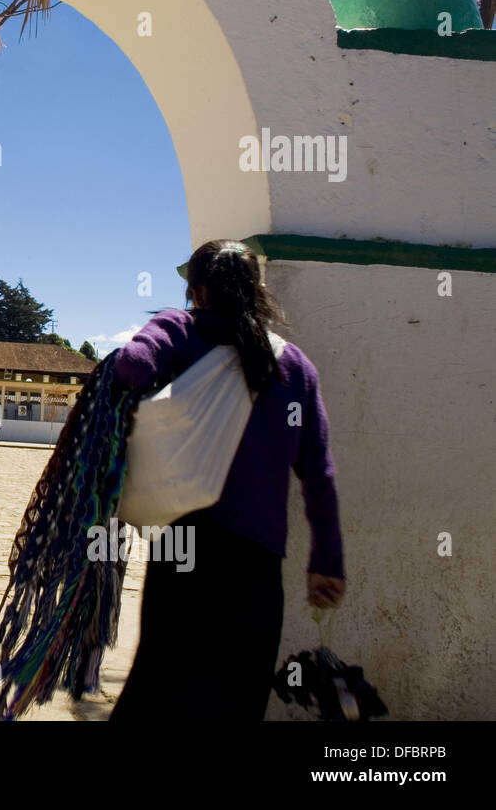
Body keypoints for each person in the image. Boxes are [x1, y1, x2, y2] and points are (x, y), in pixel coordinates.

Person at [108, 239, 346, 721]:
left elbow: (132, 367)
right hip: (256, 571)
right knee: (237, 700)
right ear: (258, 290)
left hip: (185, 556)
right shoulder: (296, 368)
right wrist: (327, 561)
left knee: (157, 694)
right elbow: (318, 474)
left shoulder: (182, 330)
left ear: (196, 291)